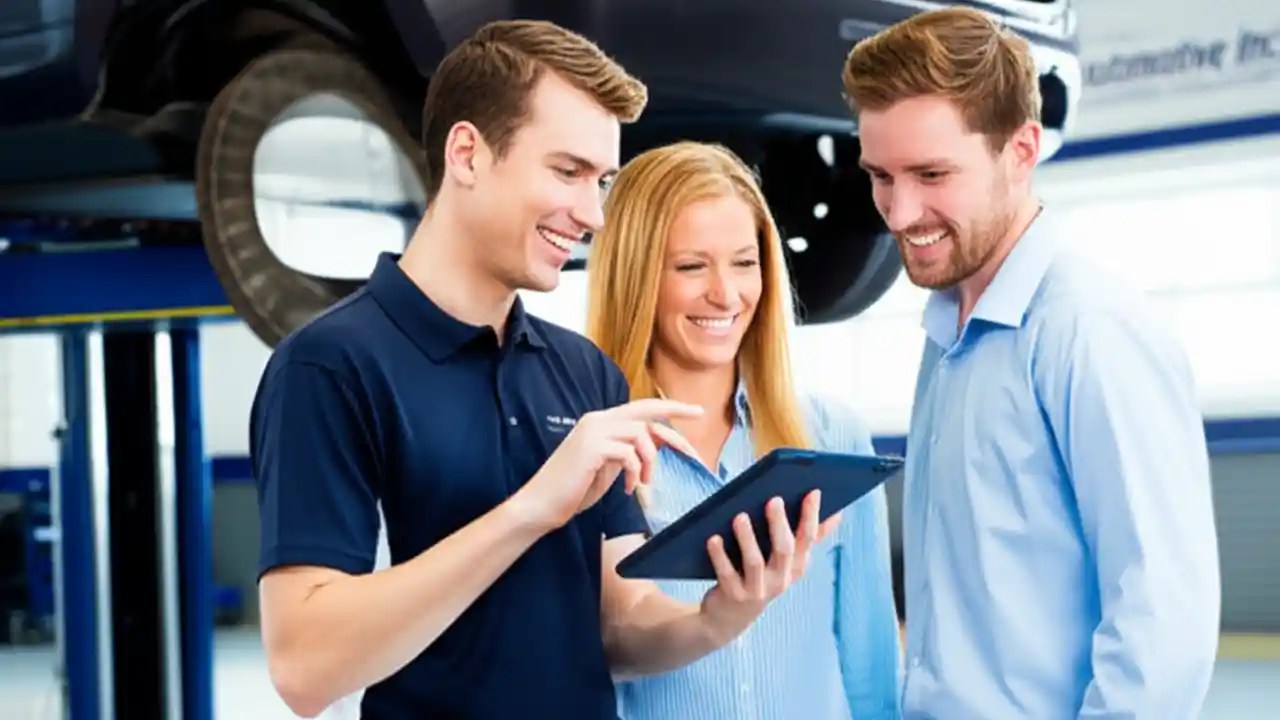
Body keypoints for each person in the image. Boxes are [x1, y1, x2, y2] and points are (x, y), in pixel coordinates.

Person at [249, 19, 833, 720]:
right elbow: (305, 667)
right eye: (567, 172)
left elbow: (617, 624)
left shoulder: (584, 375)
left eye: (602, 181)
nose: (593, 214)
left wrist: (718, 617)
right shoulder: (330, 367)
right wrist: (531, 510)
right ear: (467, 154)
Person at [841, 7, 1221, 719]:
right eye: (881, 176)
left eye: (931, 174)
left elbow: (1163, 635)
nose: (899, 212)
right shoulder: (948, 331)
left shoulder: (1090, 333)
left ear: (1021, 151)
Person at [585, 140, 902, 720]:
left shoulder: (832, 436)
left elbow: (869, 665)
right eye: (691, 266)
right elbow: (604, 645)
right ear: (635, 277)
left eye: (744, 262)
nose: (726, 295)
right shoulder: (596, 451)